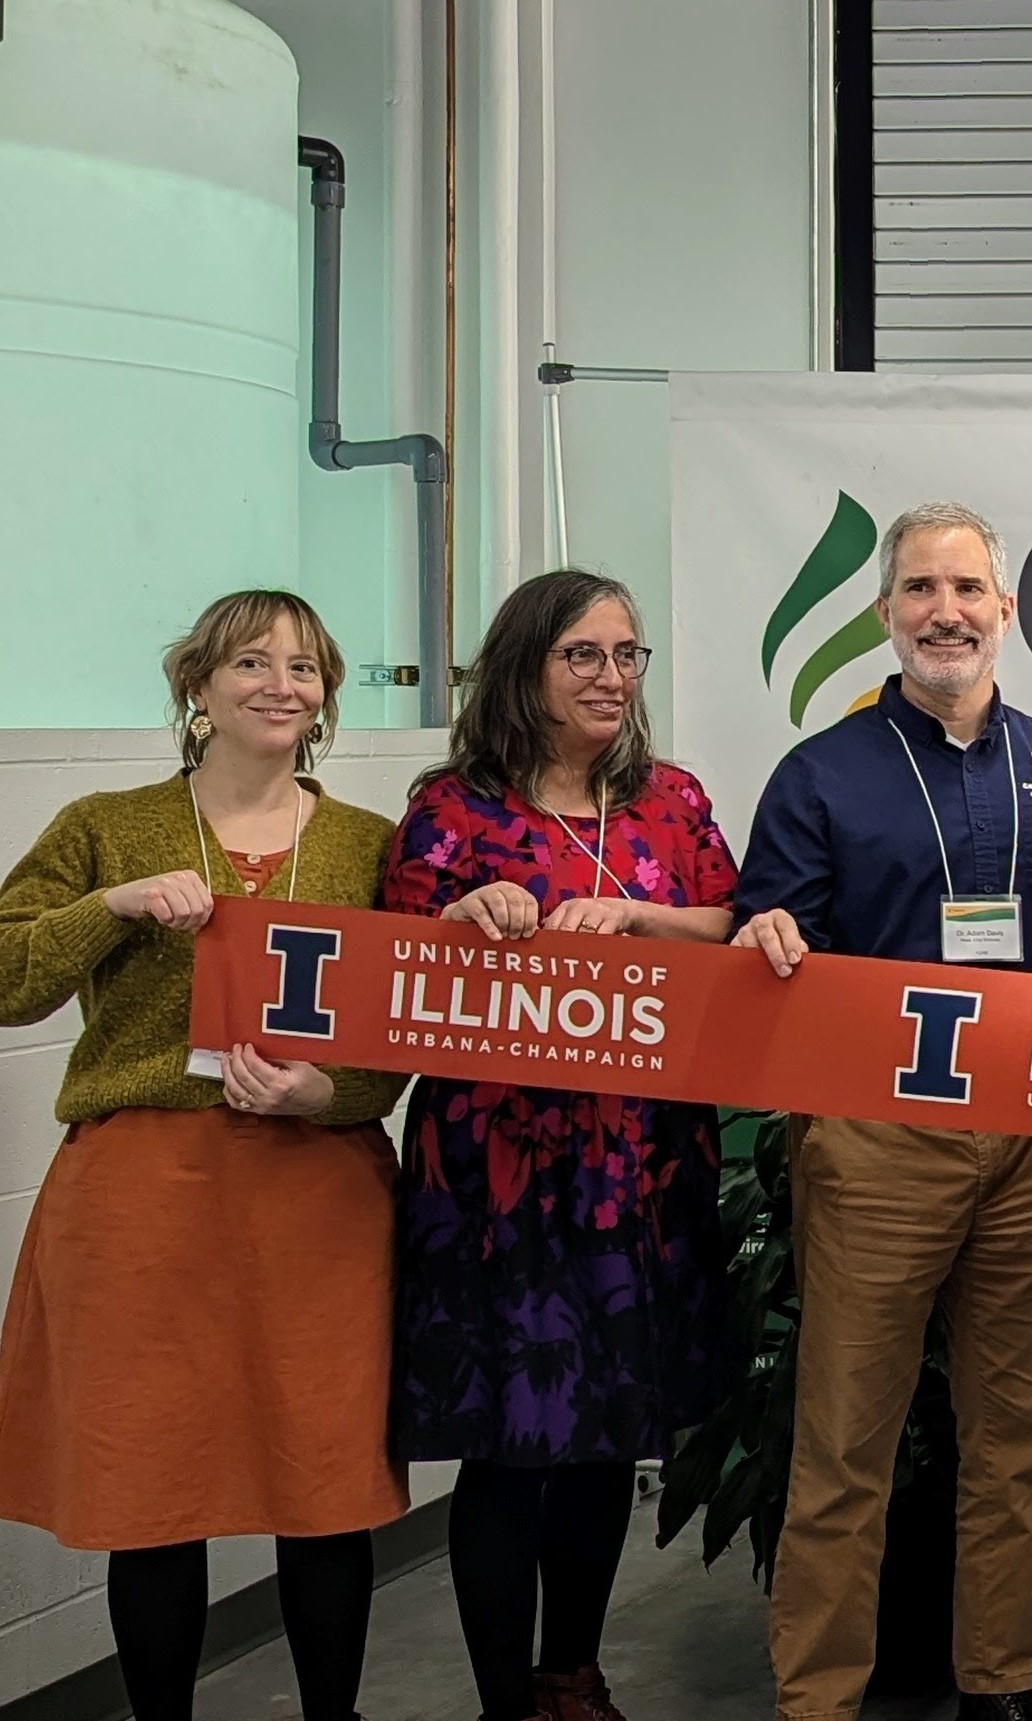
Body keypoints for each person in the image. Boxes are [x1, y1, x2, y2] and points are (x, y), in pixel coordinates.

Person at [731, 502, 1032, 1721]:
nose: (943, 612)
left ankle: (1001, 1682)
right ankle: (818, 1698)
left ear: (1006, 610)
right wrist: (763, 934)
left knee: (1018, 1442)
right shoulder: (821, 774)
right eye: (919, 589)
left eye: (966, 589)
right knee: (845, 1441)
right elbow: (771, 945)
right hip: (877, 1146)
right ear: (884, 612)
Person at [0, 591, 410, 1721]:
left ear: (325, 695)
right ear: (198, 687)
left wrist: (332, 1092)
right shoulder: (105, 824)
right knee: (153, 1490)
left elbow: (404, 1030)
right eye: (250, 662)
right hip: (142, 1202)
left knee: (325, 1481)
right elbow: (7, 977)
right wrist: (112, 905)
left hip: (318, 1196)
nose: (281, 684)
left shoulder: (370, 844)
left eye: (304, 667)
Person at [381, 569, 739, 1721]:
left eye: (628, 654)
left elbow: (732, 927)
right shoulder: (452, 810)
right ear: (524, 665)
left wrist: (640, 915)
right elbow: (390, 973)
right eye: (583, 653)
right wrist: (459, 918)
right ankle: (504, 1701)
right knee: (509, 1437)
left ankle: (572, 1678)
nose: (611, 676)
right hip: (498, 1170)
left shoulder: (669, 799)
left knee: (606, 1432)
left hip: (641, 1162)